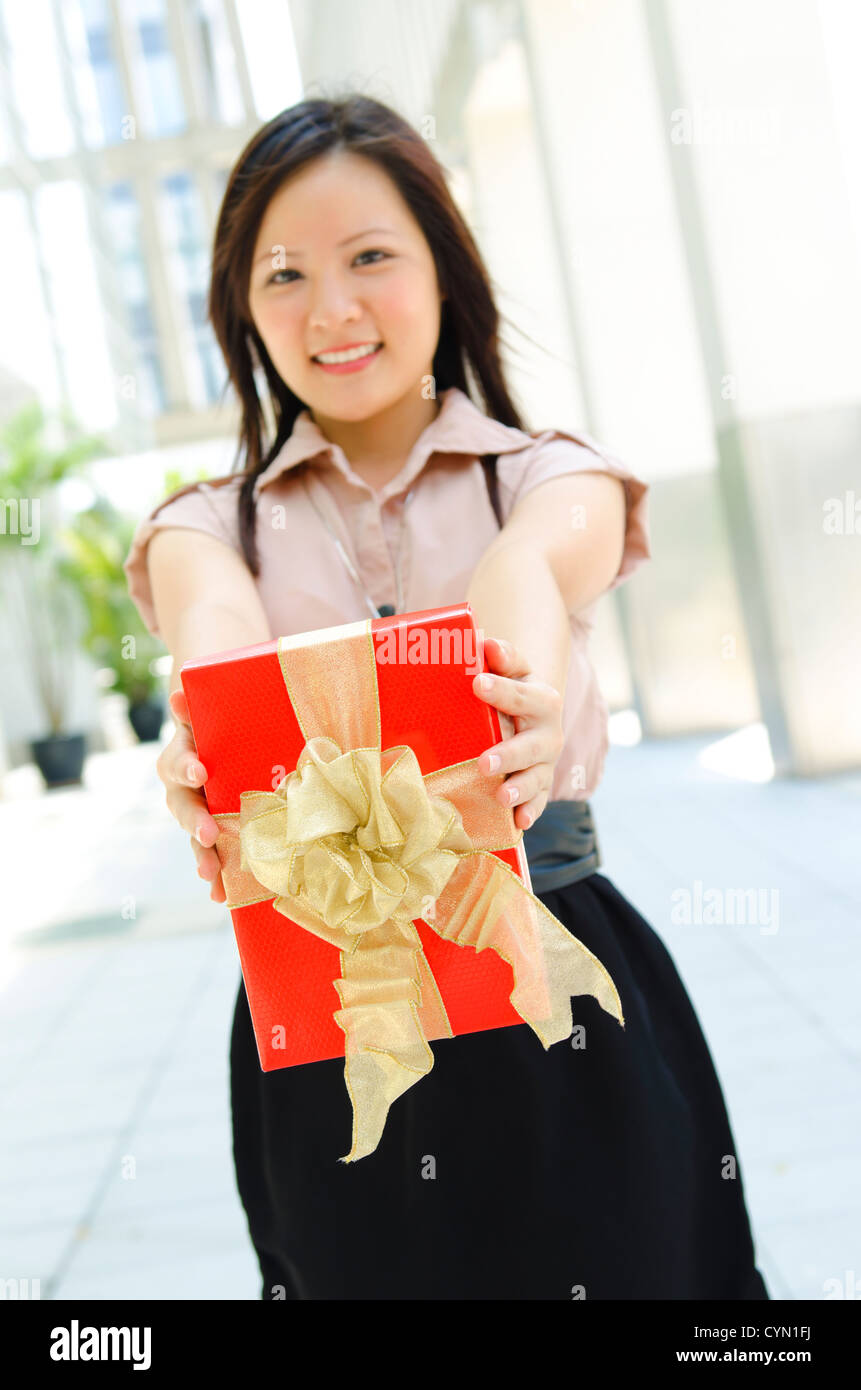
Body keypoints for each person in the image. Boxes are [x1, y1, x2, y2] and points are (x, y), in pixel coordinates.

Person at [123, 94, 769, 1301]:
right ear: (241, 310)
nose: (332, 310)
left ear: (442, 265)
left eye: (371, 256)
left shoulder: (547, 475)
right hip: (333, 1022)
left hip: (559, 992)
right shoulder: (210, 527)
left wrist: (513, 682)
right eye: (284, 276)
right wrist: (203, 736)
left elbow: (530, 567)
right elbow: (215, 633)